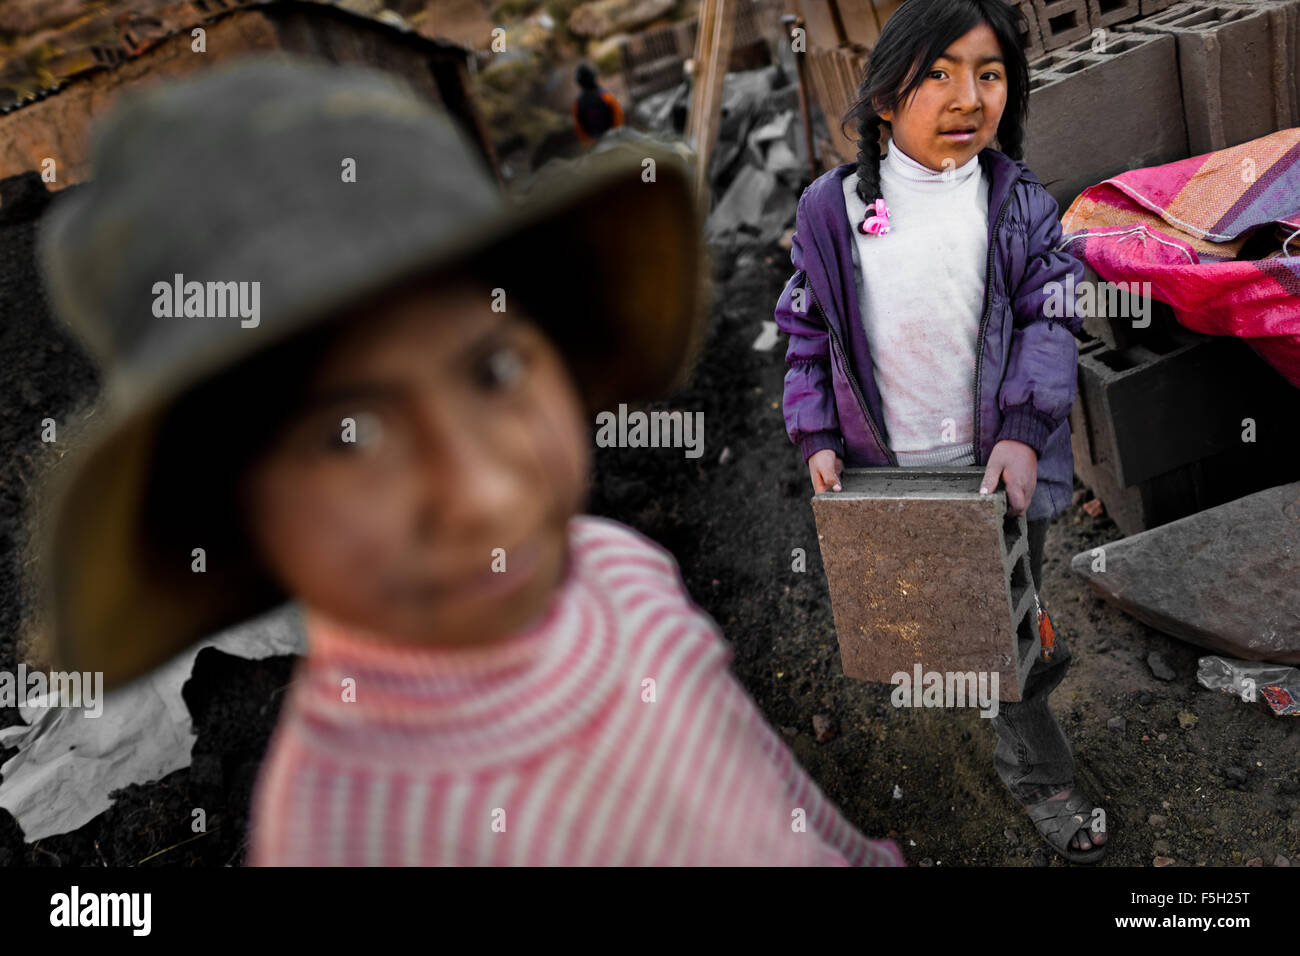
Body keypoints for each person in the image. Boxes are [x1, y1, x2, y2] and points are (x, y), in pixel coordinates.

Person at [35, 57, 904, 867]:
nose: (488, 493)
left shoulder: (618, 571)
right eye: (352, 435)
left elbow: (762, 789)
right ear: (231, 509)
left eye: (493, 369)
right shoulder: (346, 837)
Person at [774, 0, 1109, 863]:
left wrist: (1028, 432)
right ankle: (1009, 642)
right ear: (884, 96)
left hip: (997, 472)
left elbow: (1053, 312)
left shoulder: (1016, 202)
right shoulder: (830, 211)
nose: (969, 96)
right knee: (946, 621)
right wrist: (816, 437)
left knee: (1008, 631)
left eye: (989, 74)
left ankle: (1038, 772)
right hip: (893, 479)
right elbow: (807, 336)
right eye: (939, 73)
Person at [572, 62, 624, 148]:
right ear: (594, 77)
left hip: (595, 144)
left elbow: (579, 128)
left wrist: (588, 143)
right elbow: (618, 116)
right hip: (614, 139)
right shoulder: (605, 97)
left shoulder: (577, 104)